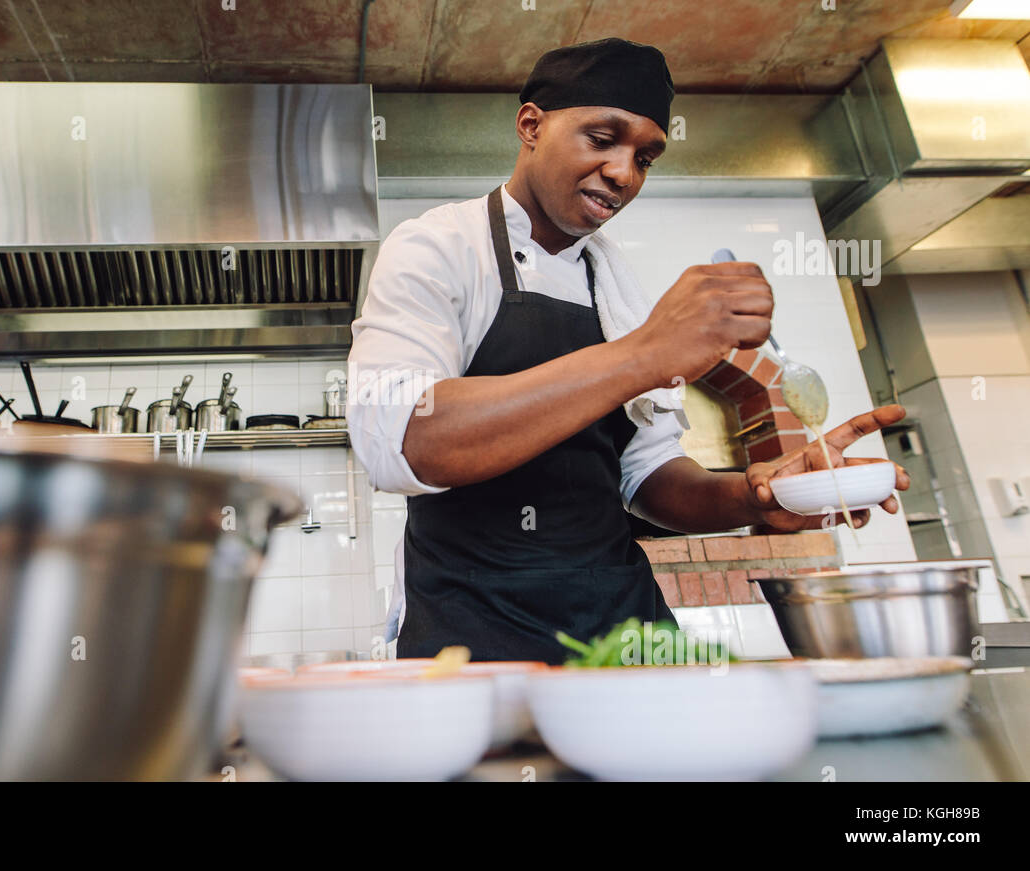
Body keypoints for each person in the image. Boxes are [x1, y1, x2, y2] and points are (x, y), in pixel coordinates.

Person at [346, 38, 909, 664]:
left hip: (624, 626)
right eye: (601, 138)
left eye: (646, 156)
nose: (624, 173)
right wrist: (644, 353)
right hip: (473, 633)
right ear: (531, 125)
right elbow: (403, 441)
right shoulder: (437, 246)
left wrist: (759, 497)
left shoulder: (613, 285)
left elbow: (647, 476)